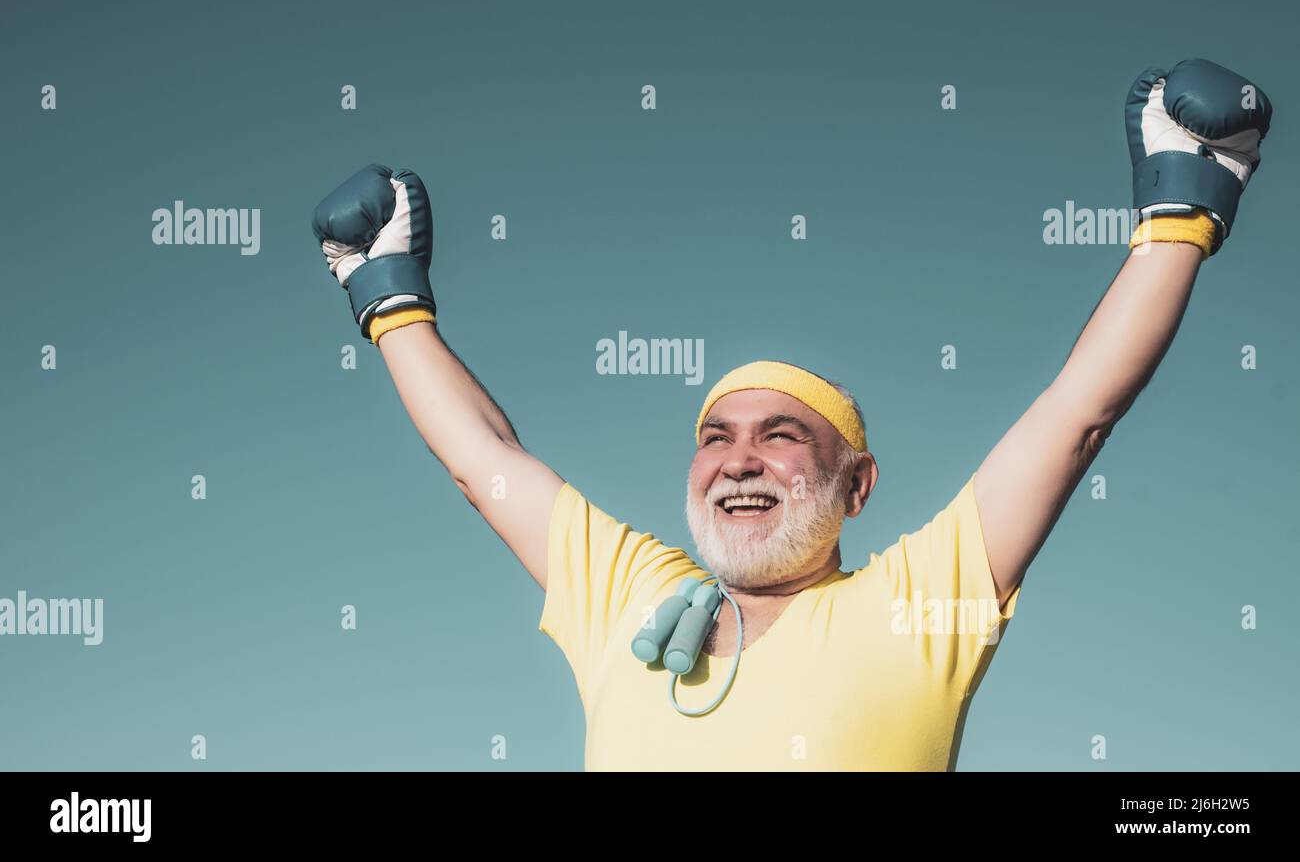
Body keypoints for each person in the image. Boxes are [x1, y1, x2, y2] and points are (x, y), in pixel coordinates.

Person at [309, 58, 1272, 771]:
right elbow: (486, 464)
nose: (739, 461)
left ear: (858, 486)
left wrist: (1182, 213)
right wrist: (391, 304)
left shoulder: (913, 607)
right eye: (716, 438)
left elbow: (1077, 416)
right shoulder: (632, 597)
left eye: (782, 437)